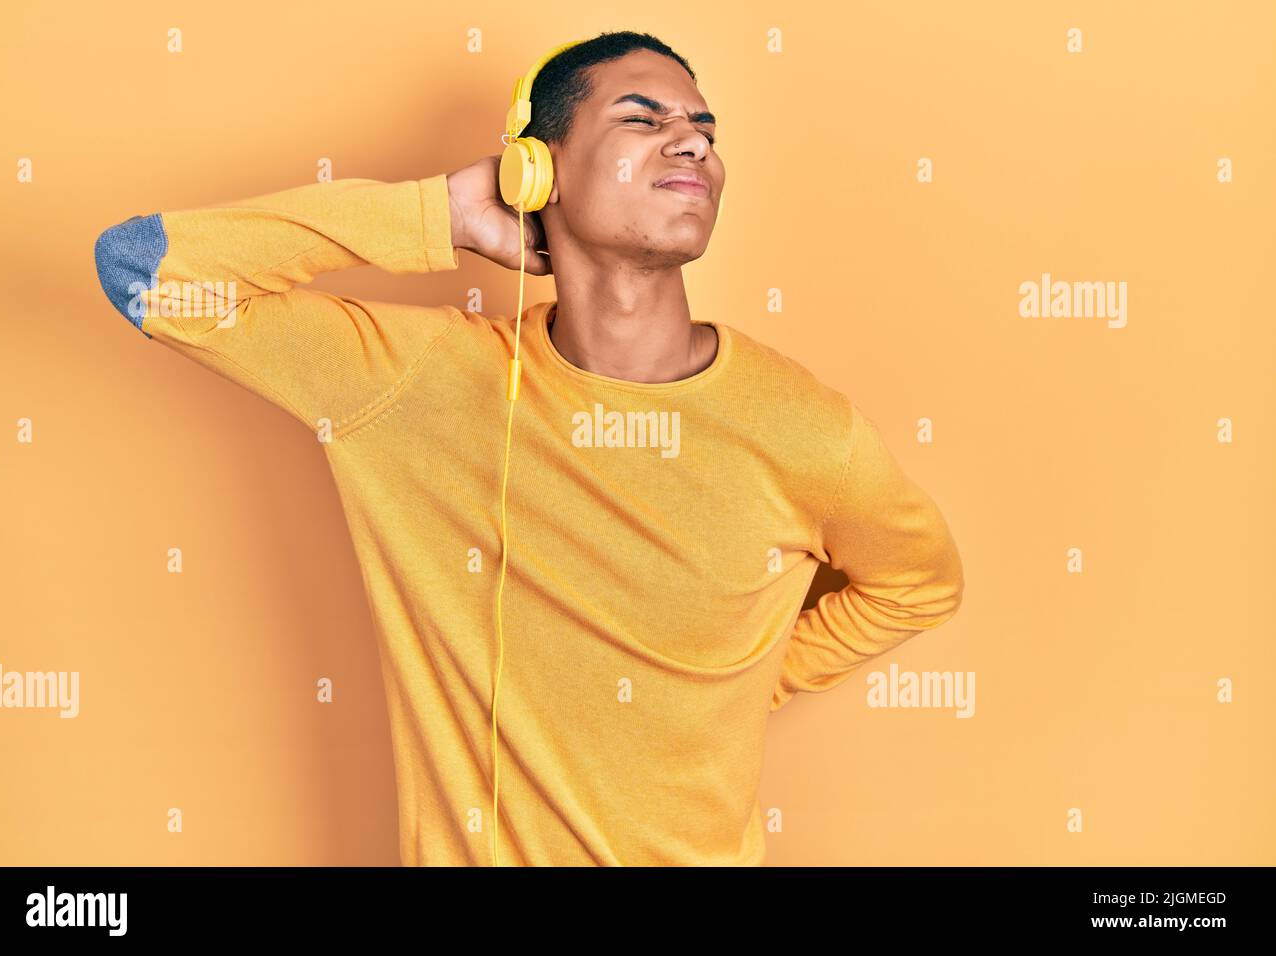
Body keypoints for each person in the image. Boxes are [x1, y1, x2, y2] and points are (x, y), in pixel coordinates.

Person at [92, 30, 965, 866]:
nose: (692, 144)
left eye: (703, 128)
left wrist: (746, 685)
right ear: (534, 169)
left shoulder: (805, 428)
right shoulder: (413, 383)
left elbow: (918, 584)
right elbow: (140, 268)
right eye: (642, 119)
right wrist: (443, 216)